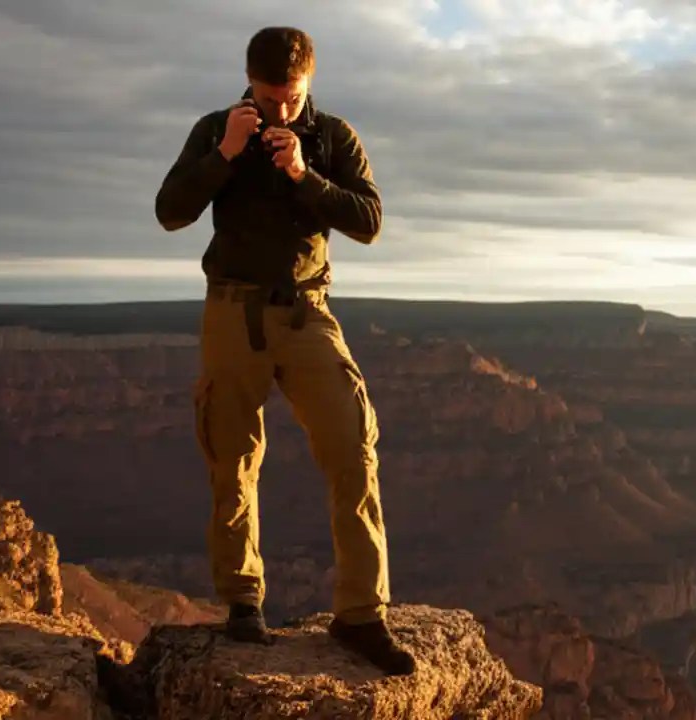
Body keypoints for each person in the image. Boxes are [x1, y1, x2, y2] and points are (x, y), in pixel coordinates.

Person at [153, 26, 414, 676]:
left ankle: (361, 616)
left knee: (353, 447)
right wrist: (226, 153)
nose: (281, 111)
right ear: (250, 83)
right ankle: (242, 606)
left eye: (292, 98)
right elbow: (169, 211)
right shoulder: (218, 128)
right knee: (232, 459)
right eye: (270, 99)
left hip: (307, 310)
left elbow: (369, 221)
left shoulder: (333, 137)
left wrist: (304, 173)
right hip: (233, 311)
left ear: (309, 84)